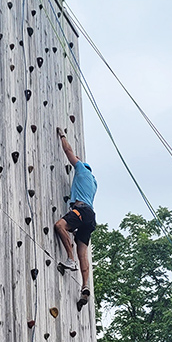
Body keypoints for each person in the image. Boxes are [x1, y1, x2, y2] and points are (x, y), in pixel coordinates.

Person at [54, 127, 97, 303]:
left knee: (59, 226)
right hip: (90, 217)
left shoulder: (81, 169)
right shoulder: (93, 182)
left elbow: (68, 151)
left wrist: (62, 135)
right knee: (83, 253)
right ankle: (85, 285)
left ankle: (70, 260)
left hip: (81, 210)